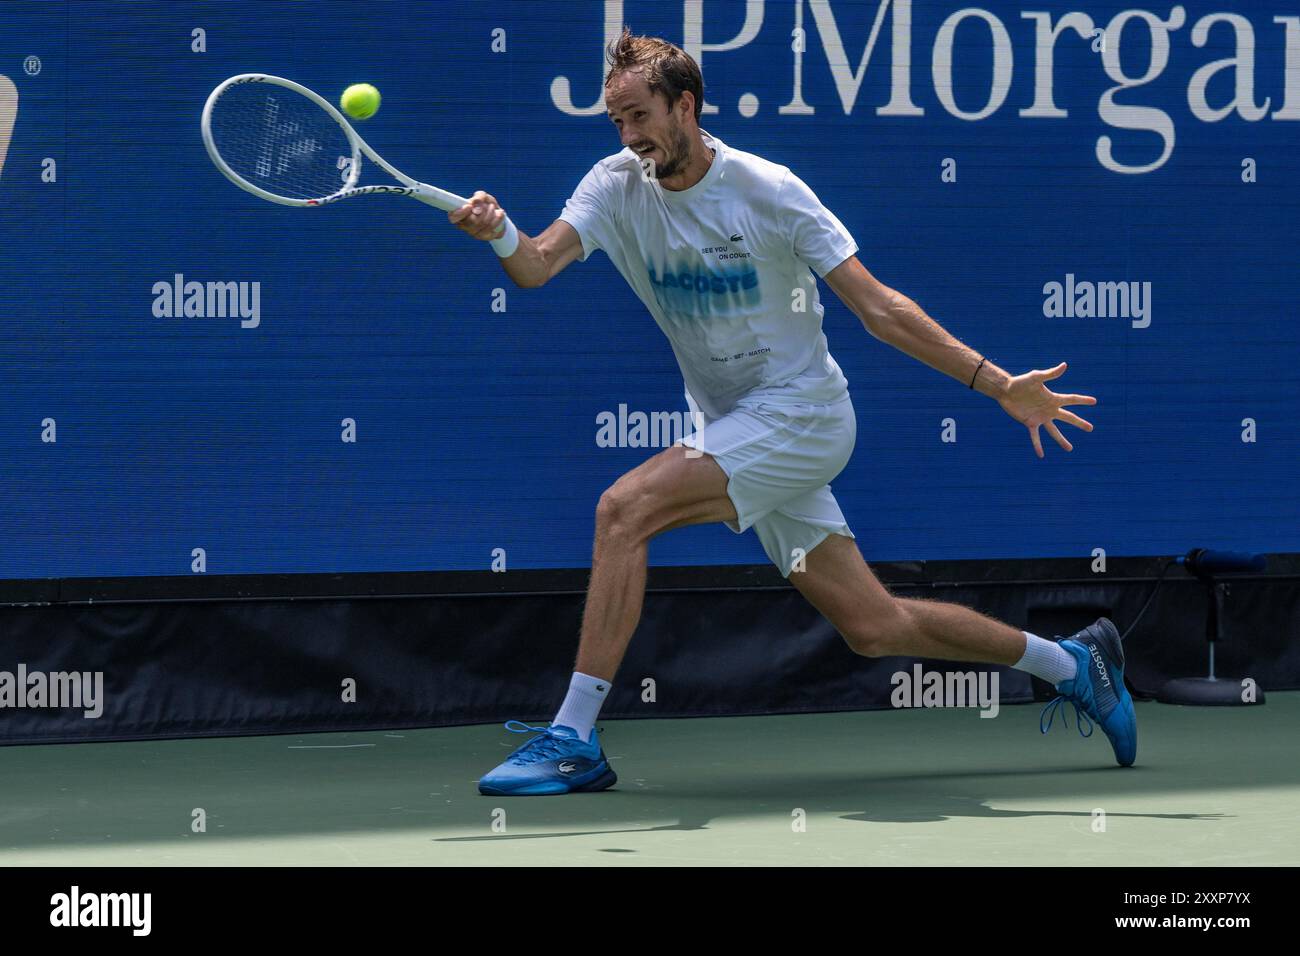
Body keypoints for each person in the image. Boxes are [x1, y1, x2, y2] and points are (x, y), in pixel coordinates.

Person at [450, 29, 1135, 796]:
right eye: (616, 122)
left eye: (640, 116)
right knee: (874, 627)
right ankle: (1074, 663)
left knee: (624, 510)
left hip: (804, 419)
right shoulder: (614, 186)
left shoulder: (769, 189)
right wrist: (500, 232)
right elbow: (537, 265)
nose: (629, 136)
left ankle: (573, 737)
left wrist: (997, 383)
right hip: (735, 429)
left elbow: (881, 310)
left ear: (686, 105)